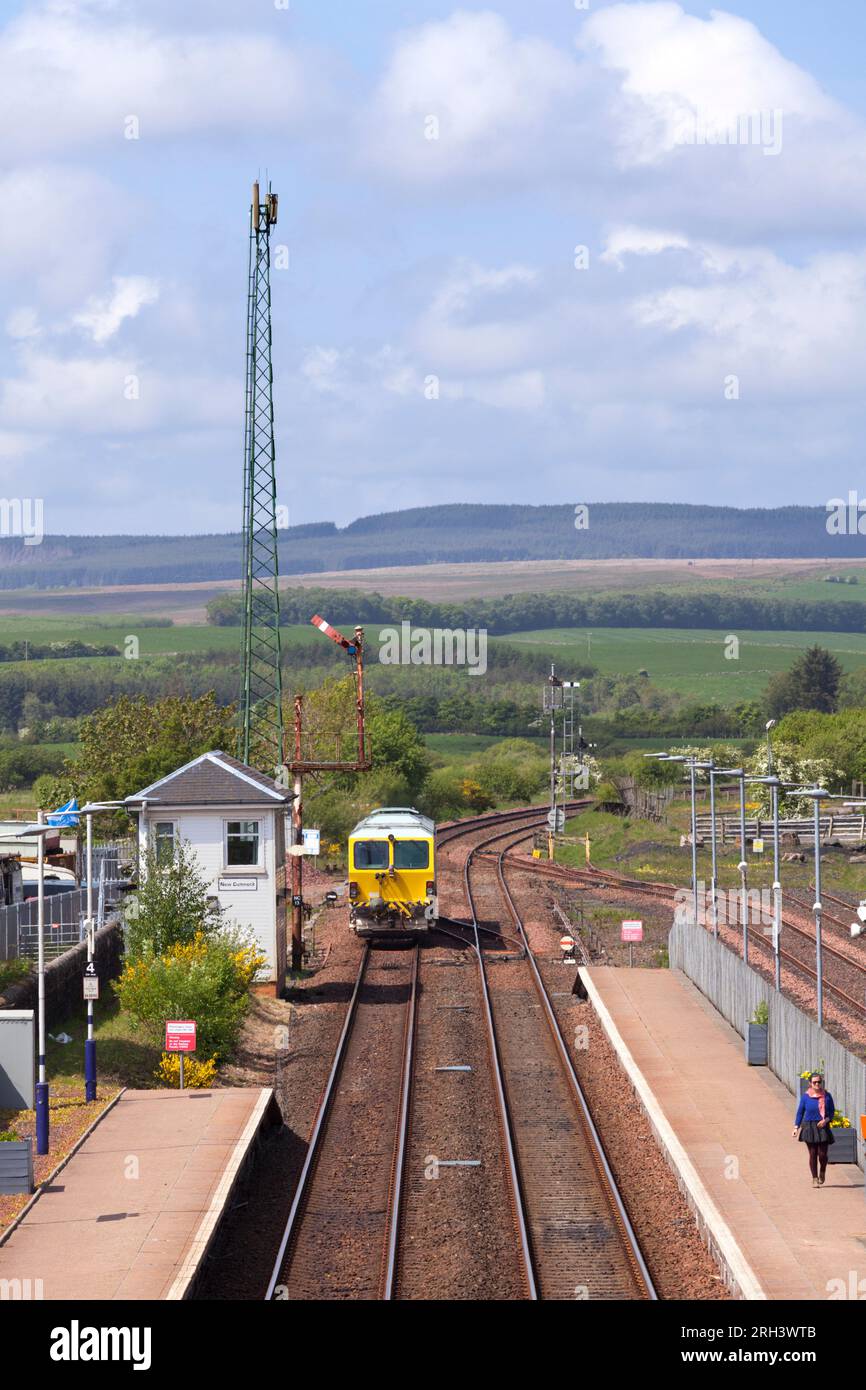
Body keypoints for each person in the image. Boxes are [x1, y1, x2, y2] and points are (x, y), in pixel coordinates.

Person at [793, 1073, 835, 1187]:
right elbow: (800, 1112)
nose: (817, 1084)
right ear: (810, 1084)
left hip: (823, 1127)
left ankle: (822, 1171)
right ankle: (814, 1178)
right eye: (814, 1082)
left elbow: (831, 1112)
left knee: (822, 1154)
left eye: (819, 1082)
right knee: (813, 1153)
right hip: (809, 1127)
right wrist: (796, 1127)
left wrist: (826, 1120)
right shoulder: (806, 1097)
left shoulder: (827, 1096)